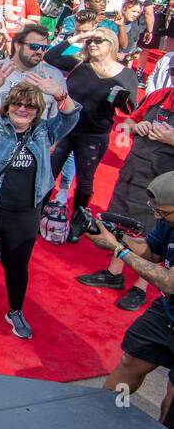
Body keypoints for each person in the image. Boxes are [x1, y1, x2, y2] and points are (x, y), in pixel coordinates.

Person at [0, 66, 78, 338]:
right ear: (8, 106)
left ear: (38, 110)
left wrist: (59, 94)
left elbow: (71, 117)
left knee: (17, 264)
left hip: (24, 212)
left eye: (29, 106)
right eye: (17, 103)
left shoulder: (45, 131)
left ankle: (15, 310)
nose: (22, 109)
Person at [87, 171, 174, 429]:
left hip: (169, 291)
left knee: (171, 400)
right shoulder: (168, 220)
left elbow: (169, 281)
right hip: (167, 310)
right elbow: (153, 251)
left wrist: (119, 250)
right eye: (154, 210)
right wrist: (117, 237)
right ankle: (101, 417)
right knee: (131, 362)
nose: (157, 217)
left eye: (163, 213)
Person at [77, 83, 174, 310]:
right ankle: (114, 273)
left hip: (165, 183)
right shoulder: (158, 95)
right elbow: (128, 123)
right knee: (121, 219)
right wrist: (138, 126)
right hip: (134, 170)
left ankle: (141, 287)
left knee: (154, 231)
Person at [44, 28, 137, 239]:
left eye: (98, 41)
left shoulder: (126, 74)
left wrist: (121, 101)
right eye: (91, 40)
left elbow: (132, 109)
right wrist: (78, 37)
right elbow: (50, 56)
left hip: (94, 134)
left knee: (85, 181)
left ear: (111, 45)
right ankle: (36, 216)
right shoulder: (79, 63)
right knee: (49, 172)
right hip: (66, 127)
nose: (93, 44)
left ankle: (77, 223)